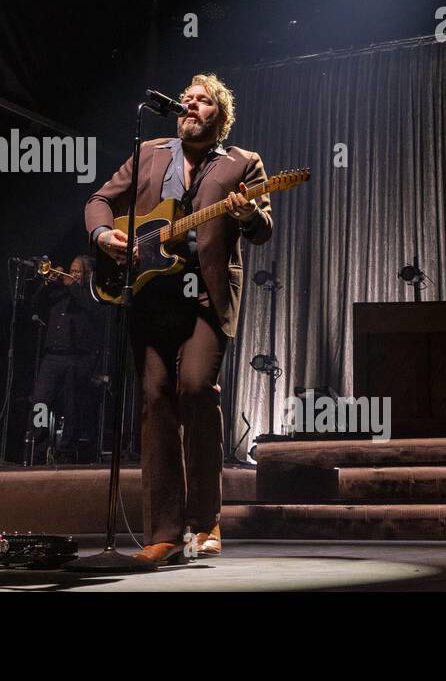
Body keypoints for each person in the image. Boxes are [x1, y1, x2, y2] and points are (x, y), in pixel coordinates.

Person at [85, 74, 273, 564]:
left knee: (193, 388)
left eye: (202, 100)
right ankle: (164, 532)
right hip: (150, 295)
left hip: (206, 298)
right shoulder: (149, 150)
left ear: (220, 115)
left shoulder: (242, 163)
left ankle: (205, 520)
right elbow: (99, 201)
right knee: (155, 401)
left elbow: (261, 230)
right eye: (186, 99)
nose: (190, 104)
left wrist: (248, 213)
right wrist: (105, 236)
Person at [29, 255, 103, 463]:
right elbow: (35, 304)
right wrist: (46, 283)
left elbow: (92, 308)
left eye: (78, 271)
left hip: (77, 358)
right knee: (40, 403)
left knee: (73, 407)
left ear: (87, 274)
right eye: (71, 270)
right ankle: (39, 446)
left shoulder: (91, 293)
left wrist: (72, 285)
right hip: (52, 357)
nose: (72, 274)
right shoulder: (58, 292)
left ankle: (66, 452)